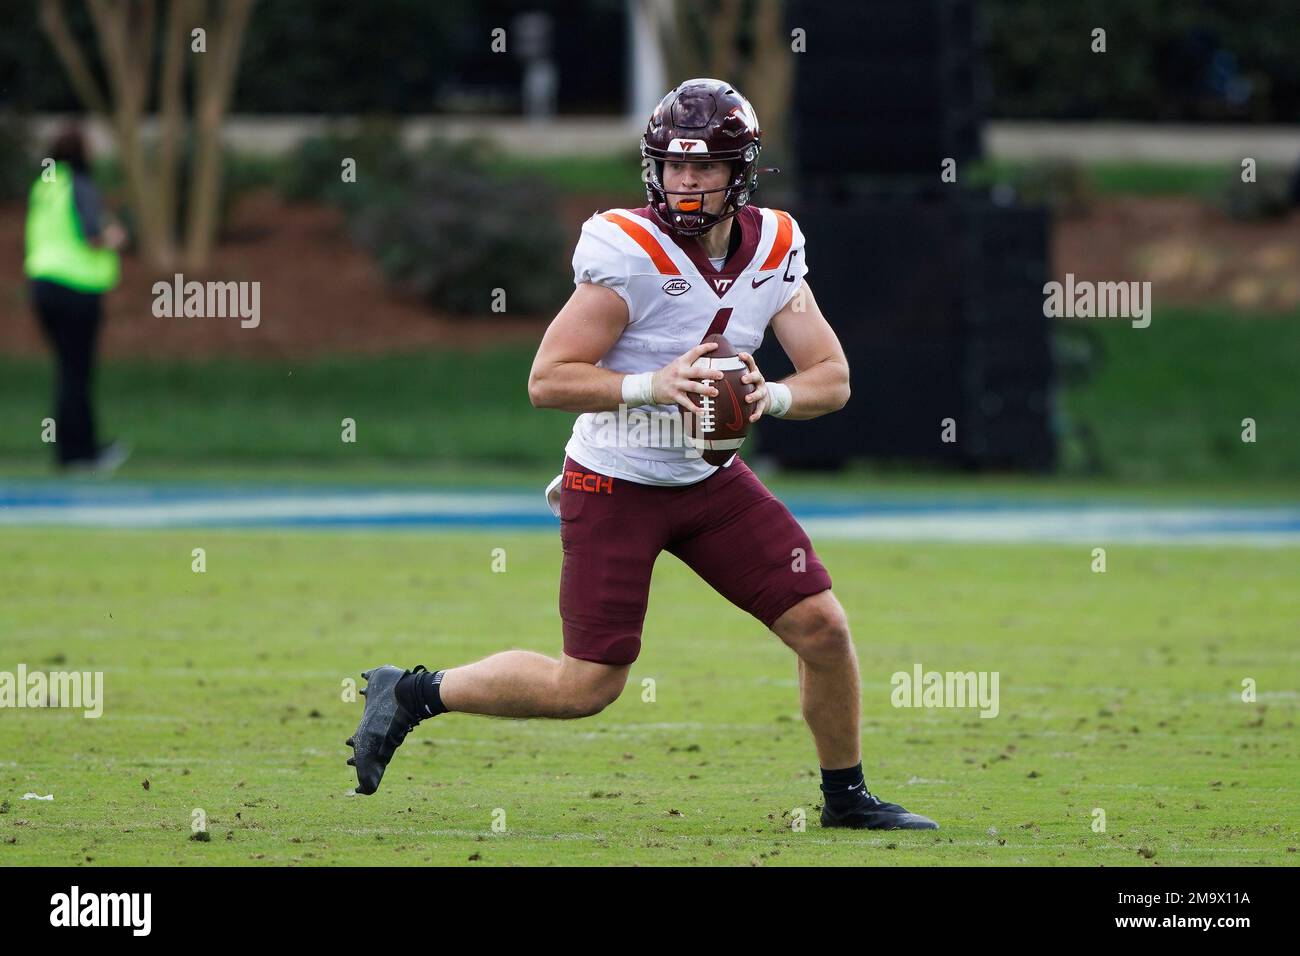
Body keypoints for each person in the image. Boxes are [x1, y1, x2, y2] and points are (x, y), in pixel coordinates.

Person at [348, 79, 938, 830]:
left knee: (822, 627)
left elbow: (833, 378)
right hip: (614, 480)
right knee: (586, 686)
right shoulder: (628, 250)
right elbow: (547, 380)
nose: (685, 183)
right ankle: (411, 694)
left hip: (710, 481)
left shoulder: (776, 246)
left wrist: (771, 397)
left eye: (704, 168)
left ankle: (846, 798)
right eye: (672, 166)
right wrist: (653, 384)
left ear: (741, 172)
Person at [24, 125, 129, 473]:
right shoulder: (79, 185)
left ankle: (66, 449)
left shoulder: (45, 186)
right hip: (76, 287)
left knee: (66, 371)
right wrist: (115, 237)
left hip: (43, 286)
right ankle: (81, 452)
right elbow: (92, 235)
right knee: (77, 372)